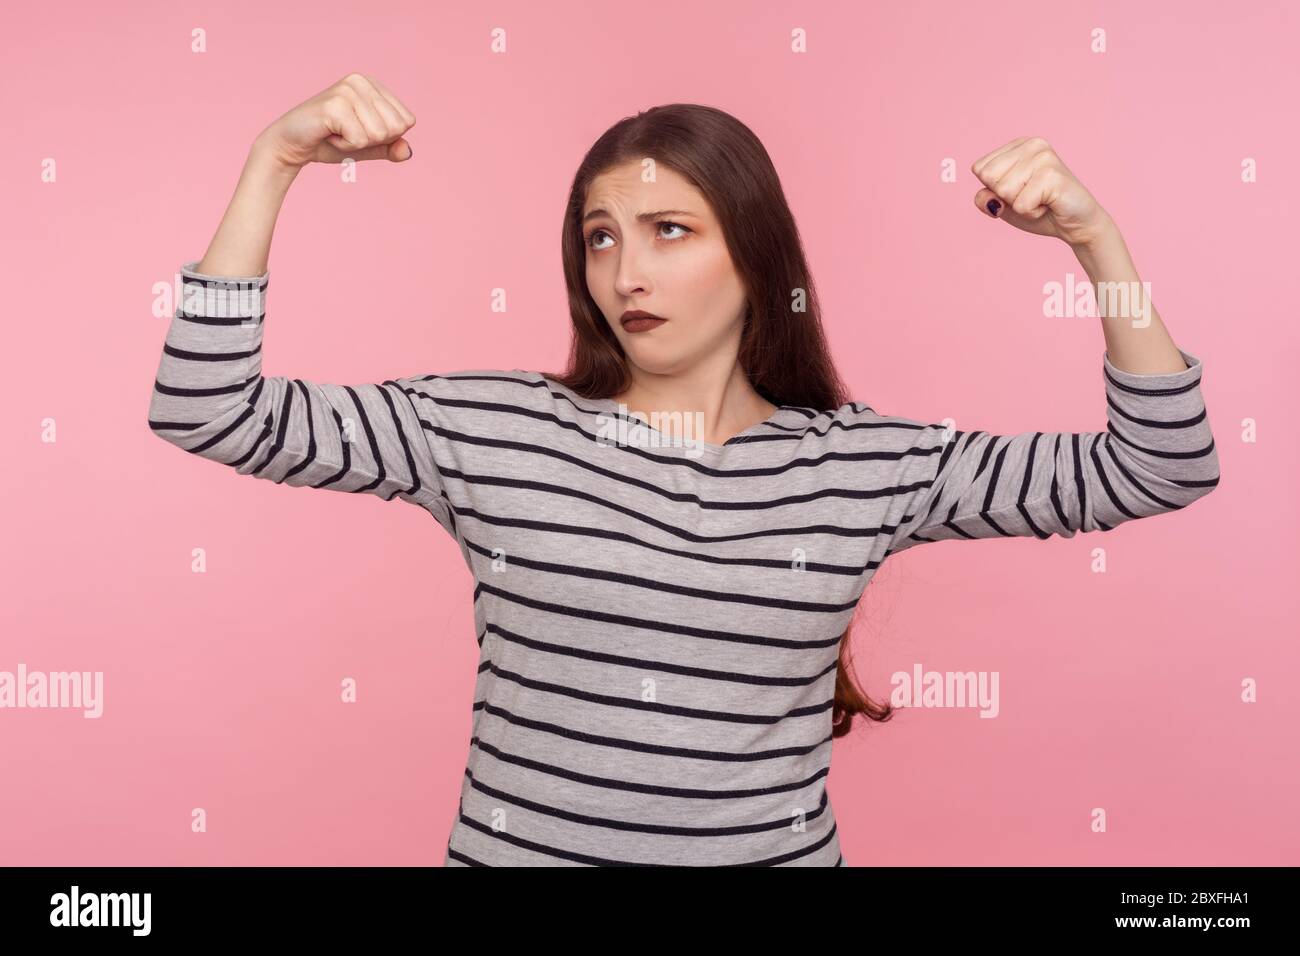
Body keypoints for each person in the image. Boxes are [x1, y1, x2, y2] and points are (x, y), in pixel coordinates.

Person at [147, 73, 1220, 867]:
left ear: (754, 254)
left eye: (669, 230)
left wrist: (1095, 241)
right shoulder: (484, 427)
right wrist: (274, 161)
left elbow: (1158, 464)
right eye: (600, 236)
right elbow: (209, 405)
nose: (627, 270)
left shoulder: (866, 463)